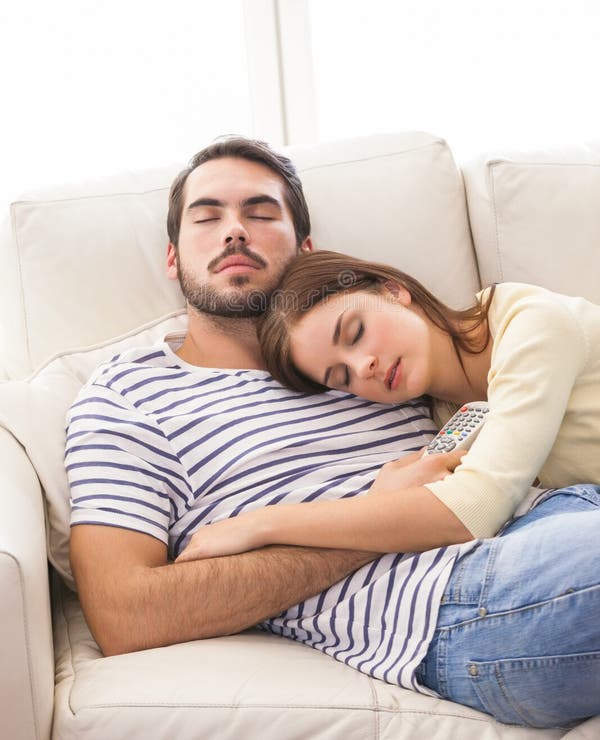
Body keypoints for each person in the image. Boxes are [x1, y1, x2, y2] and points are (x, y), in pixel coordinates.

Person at [66, 138, 600, 729]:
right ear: (172, 257)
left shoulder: (386, 351)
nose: (235, 231)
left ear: (305, 249)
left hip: (558, 511)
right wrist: (369, 521)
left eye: (261, 213)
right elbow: (124, 616)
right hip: (456, 597)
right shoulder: (128, 398)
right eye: (207, 216)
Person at [179, 248, 600, 560]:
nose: (362, 367)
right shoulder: (444, 417)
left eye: (355, 332)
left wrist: (262, 523)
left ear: (392, 290)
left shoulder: (532, 325)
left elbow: (473, 509)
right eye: (341, 377)